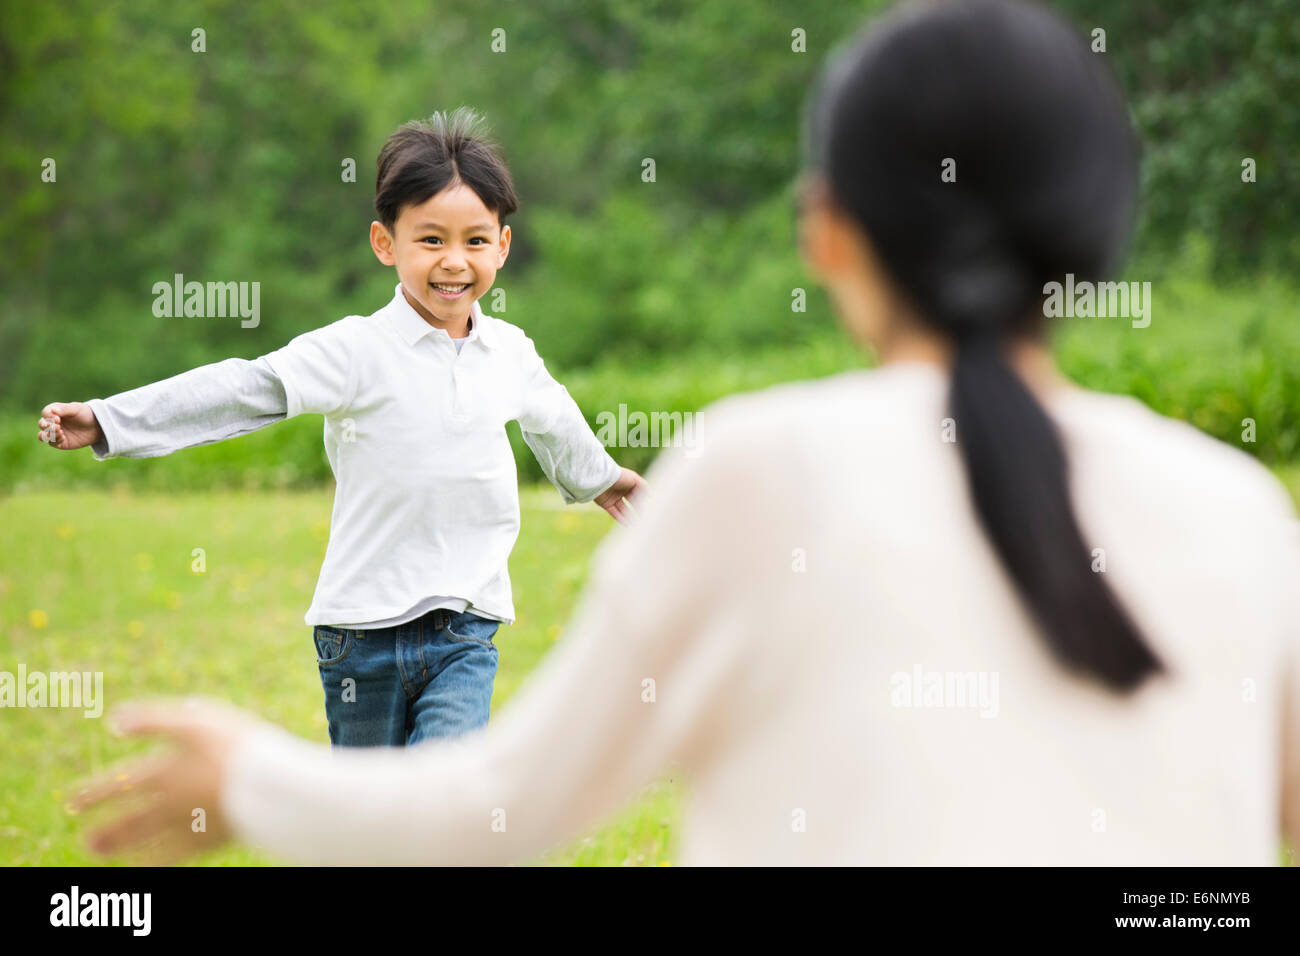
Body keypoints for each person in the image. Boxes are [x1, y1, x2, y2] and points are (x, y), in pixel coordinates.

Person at [72, 0, 1300, 865]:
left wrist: (246, 779)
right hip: (367, 618)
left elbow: (514, 800)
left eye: (479, 237)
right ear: (1103, 232)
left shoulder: (758, 471)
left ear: (827, 232)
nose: (459, 260)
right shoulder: (1239, 508)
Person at [38, 109, 646, 748]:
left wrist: (604, 481)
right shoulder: (355, 350)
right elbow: (244, 389)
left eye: (474, 240)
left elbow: (556, 424)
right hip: (359, 637)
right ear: (386, 244)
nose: (454, 262)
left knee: (446, 790)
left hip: (466, 628)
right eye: (431, 240)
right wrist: (111, 419)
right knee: (368, 821)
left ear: (502, 245)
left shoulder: (511, 352)